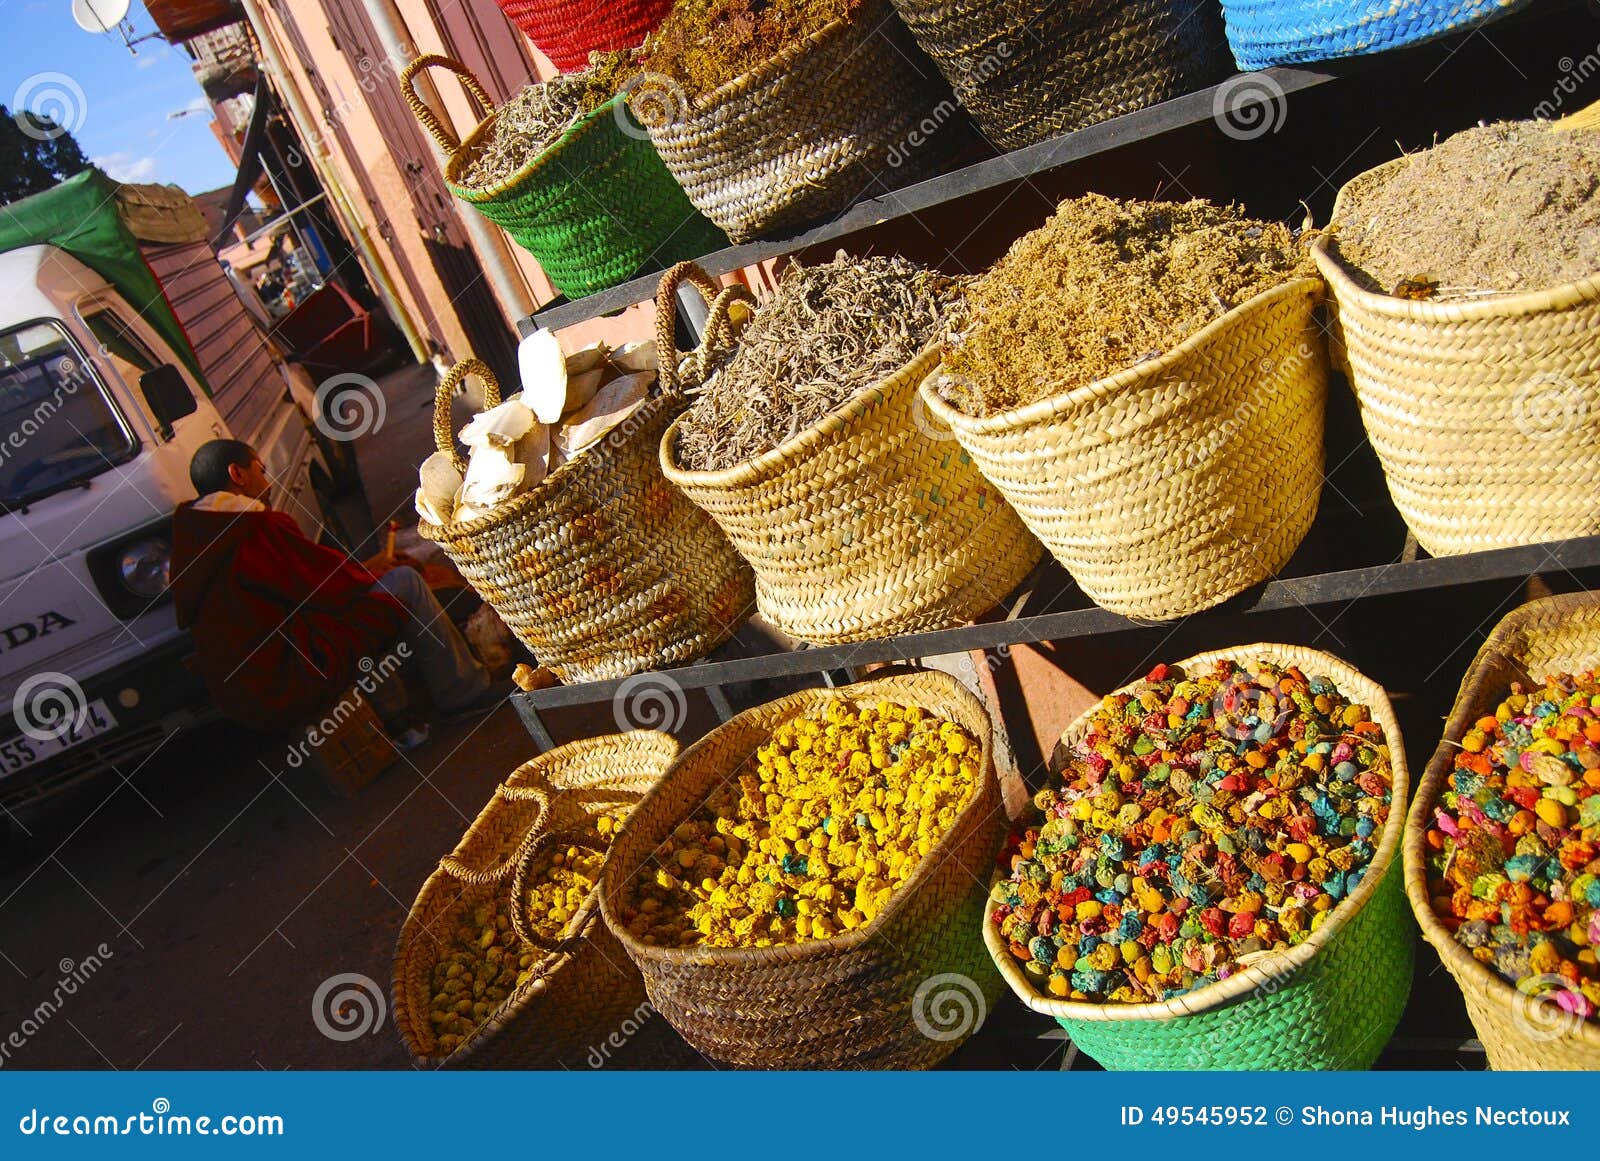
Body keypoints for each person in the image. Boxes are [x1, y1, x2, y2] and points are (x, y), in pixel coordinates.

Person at [169, 439, 504, 734]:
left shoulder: (190, 541)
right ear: (237, 474)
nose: (269, 484)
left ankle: (400, 714)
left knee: (370, 598)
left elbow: (307, 584)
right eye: (261, 470)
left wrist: (364, 569)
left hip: (241, 694)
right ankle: (464, 694)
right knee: (404, 582)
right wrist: (372, 571)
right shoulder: (254, 527)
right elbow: (331, 588)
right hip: (288, 674)